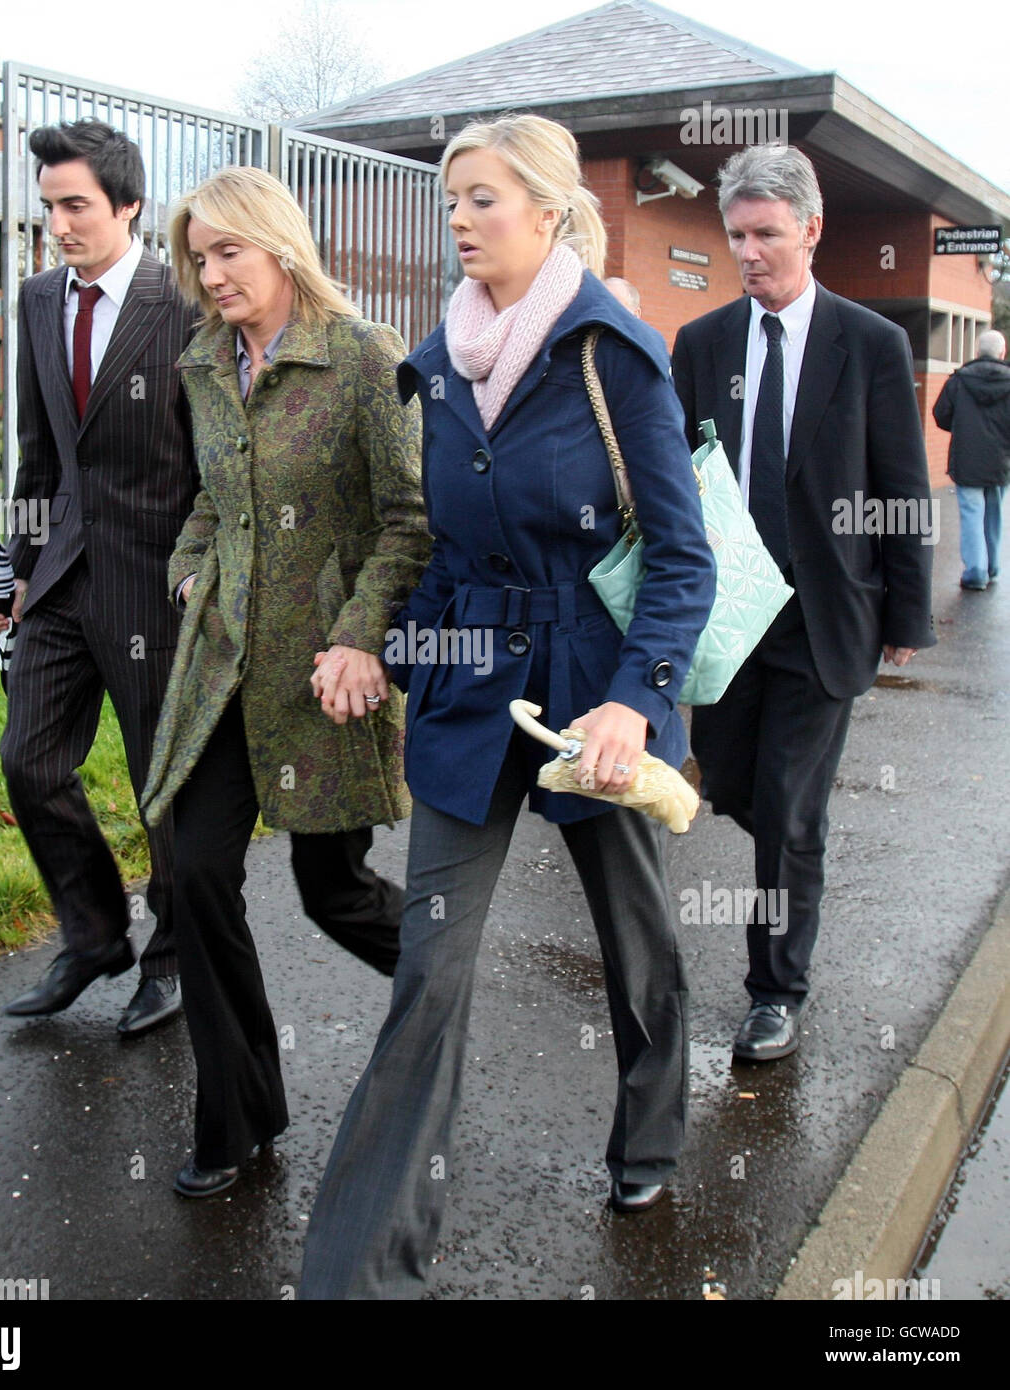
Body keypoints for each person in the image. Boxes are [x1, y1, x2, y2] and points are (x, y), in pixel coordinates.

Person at [299, 113, 715, 1299]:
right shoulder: (434, 363)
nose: (461, 221)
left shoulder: (611, 353)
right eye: (452, 202)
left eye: (483, 198)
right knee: (429, 973)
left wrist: (637, 702)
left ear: (546, 206)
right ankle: (362, 1269)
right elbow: (436, 551)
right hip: (473, 702)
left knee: (636, 949)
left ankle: (648, 1136)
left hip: (597, 702)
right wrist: (382, 645)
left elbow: (681, 559)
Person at [139, 166, 430, 1198]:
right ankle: (235, 1113)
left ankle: (441, 984)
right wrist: (187, 571)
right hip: (222, 669)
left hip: (322, 678)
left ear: (279, 245)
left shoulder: (362, 357)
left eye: (227, 251)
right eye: (197, 256)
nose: (209, 274)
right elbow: (216, 503)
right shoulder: (205, 363)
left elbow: (410, 520)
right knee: (199, 871)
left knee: (331, 891)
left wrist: (359, 637)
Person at [671, 144, 936, 1063]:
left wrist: (907, 614)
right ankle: (785, 847)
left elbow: (901, 480)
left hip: (824, 619)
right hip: (729, 623)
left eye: (766, 235)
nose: (748, 252)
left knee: (787, 812)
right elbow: (676, 482)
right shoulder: (701, 345)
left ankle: (774, 989)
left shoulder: (868, 343)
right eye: (735, 235)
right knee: (735, 787)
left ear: (811, 230)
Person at [0, 121, 197, 1037]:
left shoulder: (186, 301)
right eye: (48, 208)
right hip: (63, 574)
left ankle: (173, 957)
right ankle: (93, 935)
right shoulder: (39, 300)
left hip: (159, 581)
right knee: (28, 760)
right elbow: (42, 454)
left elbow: (212, 463)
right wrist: (15, 568)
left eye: (75, 205)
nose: (59, 225)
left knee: (163, 780)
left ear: (128, 205)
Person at [933, 328, 1010, 591]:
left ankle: (976, 570)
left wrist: (962, 427)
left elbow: (940, 414)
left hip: (967, 461)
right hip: (1001, 463)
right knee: (993, 514)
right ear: (1003, 353)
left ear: (977, 352)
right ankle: (992, 566)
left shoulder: (959, 381)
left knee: (972, 514)